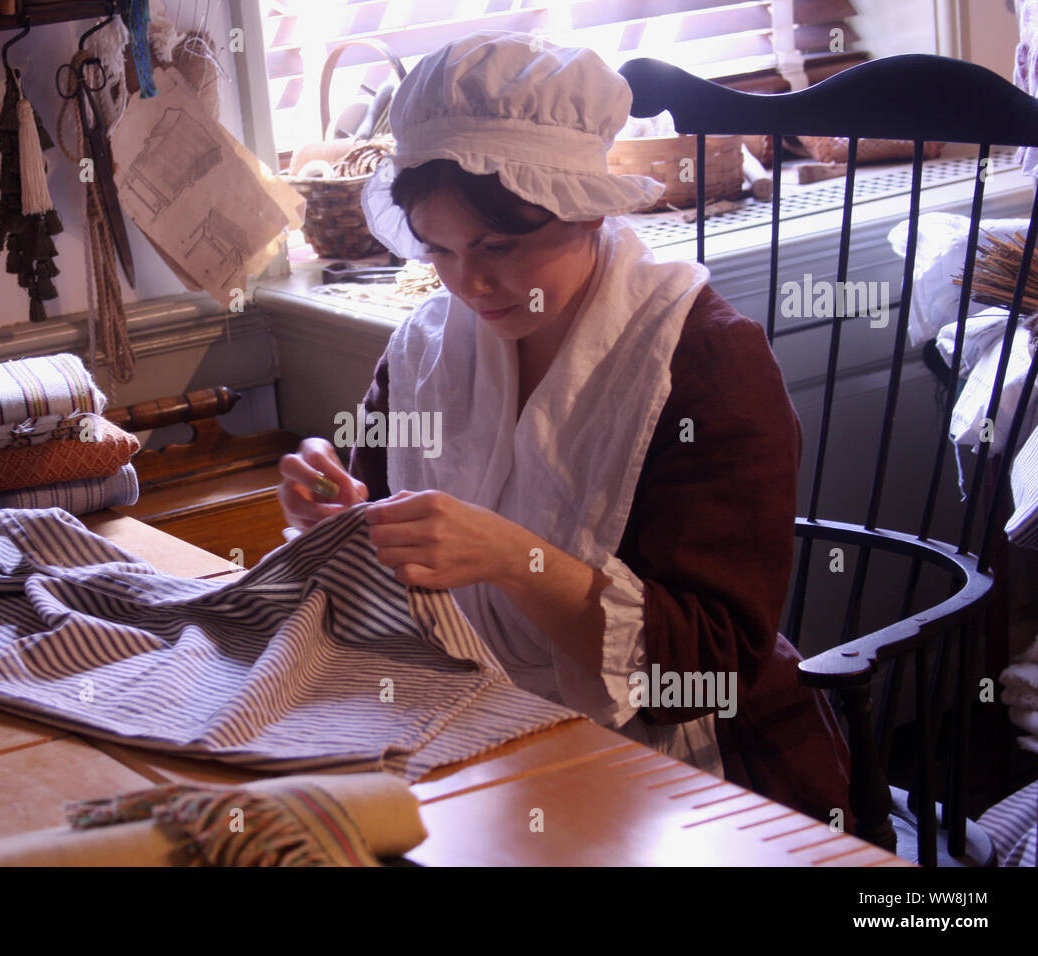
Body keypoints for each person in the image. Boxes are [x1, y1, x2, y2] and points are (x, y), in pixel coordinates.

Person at [277, 29, 852, 825]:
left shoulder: (703, 361)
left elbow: (711, 666)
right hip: (475, 723)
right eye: (439, 251)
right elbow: (373, 503)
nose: (469, 282)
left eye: (500, 246)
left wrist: (518, 560)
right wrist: (330, 502)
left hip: (687, 769)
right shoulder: (430, 346)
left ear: (585, 210)